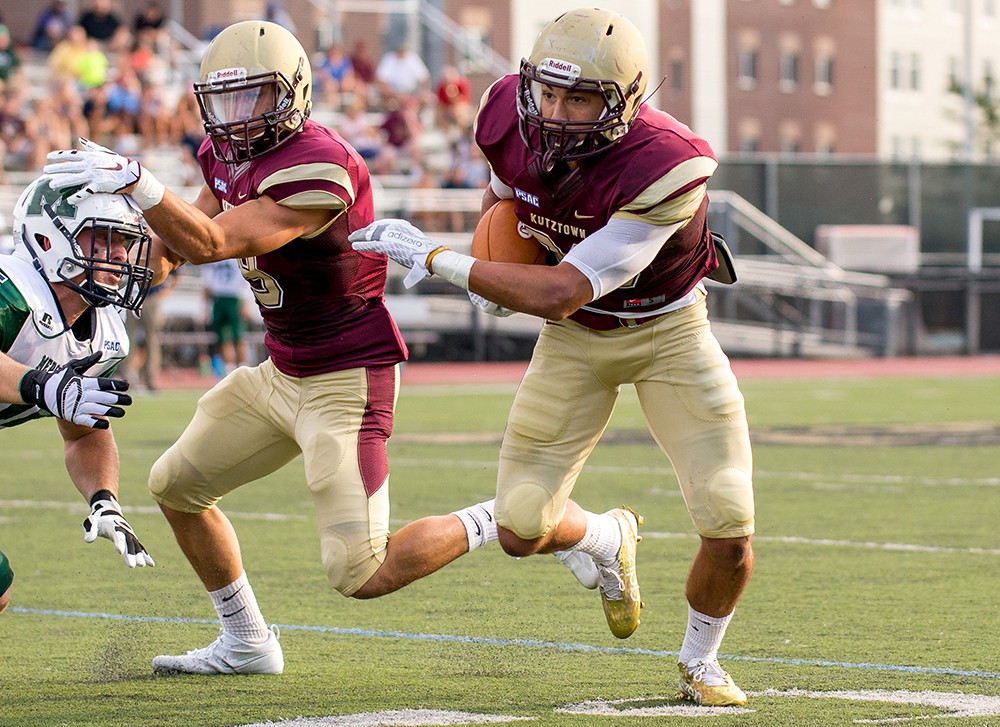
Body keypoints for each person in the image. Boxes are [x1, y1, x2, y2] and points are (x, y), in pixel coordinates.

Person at [44, 19, 592, 677]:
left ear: (293, 94)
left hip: (346, 378)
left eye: (255, 98)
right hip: (282, 368)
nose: (239, 118)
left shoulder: (322, 166)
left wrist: (141, 183)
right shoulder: (225, 156)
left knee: (361, 570)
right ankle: (246, 639)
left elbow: (217, 242)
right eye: (226, 101)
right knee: (176, 484)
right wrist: (103, 283)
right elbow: (182, 244)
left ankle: (502, 515)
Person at [349, 7, 753, 707]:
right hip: (576, 343)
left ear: (624, 101)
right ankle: (605, 535)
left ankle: (700, 661)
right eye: (551, 93)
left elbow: (564, 289)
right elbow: (506, 198)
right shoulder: (508, 111)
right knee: (520, 526)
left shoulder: (668, 165)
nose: (557, 113)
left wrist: (444, 260)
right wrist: (493, 256)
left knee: (729, 520)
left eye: (581, 98)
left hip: (667, 332)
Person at [0, 172, 156, 575]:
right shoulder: (11, 293)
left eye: (124, 241)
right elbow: (46, 388)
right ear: (48, 238)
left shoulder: (104, 335)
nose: (121, 254)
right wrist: (41, 385)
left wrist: (103, 499)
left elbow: (84, 431)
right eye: (105, 238)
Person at [199, 258, 248, 376]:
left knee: (238, 337)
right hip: (222, 298)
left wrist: (245, 302)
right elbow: (207, 285)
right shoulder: (215, 259)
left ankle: (242, 368)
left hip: (232, 298)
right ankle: (230, 370)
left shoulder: (233, 257)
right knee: (223, 338)